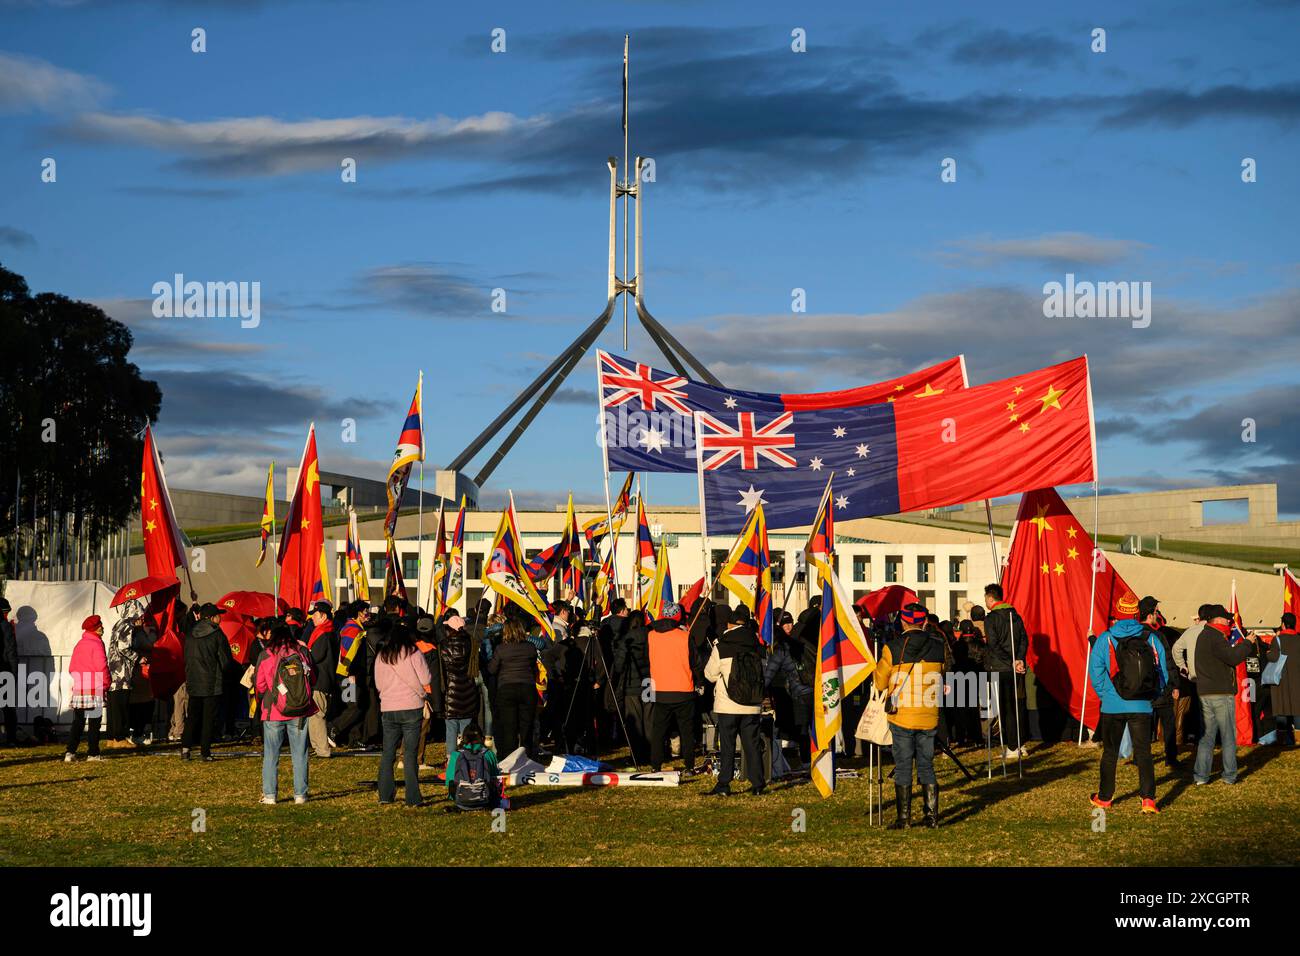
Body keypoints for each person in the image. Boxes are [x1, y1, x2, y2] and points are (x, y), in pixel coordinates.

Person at [1088, 609, 1169, 813]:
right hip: (1142, 705)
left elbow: (1095, 672)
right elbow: (1162, 671)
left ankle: (1104, 797)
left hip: (1112, 706)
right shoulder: (1150, 638)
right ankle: (1148, 799)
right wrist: (1153, 693)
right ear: (1136, 616)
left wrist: (1107, 695)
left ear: (1115, 617)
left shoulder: (1106, 638)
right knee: (1144, 753)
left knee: (1110, 753)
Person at [874, 603, 946, 828]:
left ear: (903, 622)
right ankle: (931, 817)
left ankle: (903, 818)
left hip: (902, 714)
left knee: (903, 765)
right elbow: (942, 674)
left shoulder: (892, 647)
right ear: (924, 622)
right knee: (926, 765)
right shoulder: (938, 646)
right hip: (929, 713)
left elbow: (880, 682)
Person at [704, 605, 767, 796]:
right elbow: (764, 671)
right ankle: (758, 784)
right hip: (752, 704)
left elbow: (710, 674)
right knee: (752, 745)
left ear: (729, 625)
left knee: (728, 745)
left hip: (727, 704)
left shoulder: (722, 646)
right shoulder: (757, 646)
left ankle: (724, 783)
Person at [1193, 604, 1256, 785]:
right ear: (1219, 620)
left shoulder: (1203, 636)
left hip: (1205, 693)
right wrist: (1247, 643)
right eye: (1227, 619)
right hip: (1220, 693)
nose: (1230, 622)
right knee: (1228, 736)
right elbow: (1233, 657)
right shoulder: (1216, 637)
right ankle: (1229, 775)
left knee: (1207, 737)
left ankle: (1201, 776)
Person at [254, 623, 317, 805]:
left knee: (271, 755)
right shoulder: (301, 652)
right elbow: (312, 678)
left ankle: (270, 795)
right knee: (300, 753)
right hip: (299, 709)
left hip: (273, 710)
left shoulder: (266, 654)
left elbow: (260, 685)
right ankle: (300, 794)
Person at [373, 619, 432, 806]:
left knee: (388, 753)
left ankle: (385, 795)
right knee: (410, 754)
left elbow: (378, 684)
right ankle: (413, 797)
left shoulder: (382, 655)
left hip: (389, 707)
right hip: (411, 706)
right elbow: (426, 678)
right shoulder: (414, 653)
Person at [646, 602, 702, 775]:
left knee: (659, 730)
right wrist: (699, 682)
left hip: (660, 689)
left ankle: (655, 765)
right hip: (684, 689)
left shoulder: (651, 635)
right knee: (686, 731)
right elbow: (696, 663)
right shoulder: (685, 636)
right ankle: (689, 766)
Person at [181, 603, 233, 762]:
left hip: (193, 679)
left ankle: (185, 748)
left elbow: (186, 656)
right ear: (211, 618)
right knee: (208, 718)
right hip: (212, 681)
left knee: (192, 716)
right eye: (218, 615)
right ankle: (205, 751)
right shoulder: (217, 634)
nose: (220, 618)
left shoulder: (190, 633)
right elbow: (225, 661)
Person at [983, 583, 1028, 759]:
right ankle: (1020, 743)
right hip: (1015, 667)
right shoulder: (1015, 615)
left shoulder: (991, 618)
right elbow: (1024, 639)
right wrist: (1019, 659)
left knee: (1006, 708)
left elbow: (993, 645)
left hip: (1000, 668)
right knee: (1017, 706)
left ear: (990, 598)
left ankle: (1012, 747)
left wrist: (1013, 661)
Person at [765, 610, 812, 766]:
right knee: (806, 727)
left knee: (799, 727)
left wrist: (759, 690)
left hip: (796, 691)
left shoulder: (781, 649)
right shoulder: (801, 643)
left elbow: (769, 673)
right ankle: (810, 760)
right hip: (810, 688)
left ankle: (803, 761)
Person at [487, 618, 539, 759]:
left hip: (507, 688)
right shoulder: (530, 647)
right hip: (527, 687)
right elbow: (534, 667)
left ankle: (510, 759)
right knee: (526, 727)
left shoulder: (501, 649)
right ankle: (527, 757)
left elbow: (492, 669)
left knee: (509, 728)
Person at [1139, 596, 1181, 768]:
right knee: (1168, 723)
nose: (1157, 615)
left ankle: (1141, 757)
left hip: (1141, 688)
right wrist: (1175, 685)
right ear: (1150, 615)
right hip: (1160, 687)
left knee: (1143, 725)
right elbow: (1168, 662)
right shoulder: (1157, 636)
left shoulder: (1132, 635)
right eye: (1156, 612)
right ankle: (1171, 758)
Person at [610, 599, 651, 764]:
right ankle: (651, 752)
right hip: (649, 681)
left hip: (632, 685)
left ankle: (637, 755)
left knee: (635, 720)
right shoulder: (651, 636)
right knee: (649, 719)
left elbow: (619, 665)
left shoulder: (626, 639)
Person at [65, 615, 109, 763]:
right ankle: (93, 753)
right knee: (94, 723)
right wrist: (107, 682)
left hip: (80, 688)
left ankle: (70, 752)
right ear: (96, 629)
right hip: (95, 688)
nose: (102, 627)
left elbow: (71, 668)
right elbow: (102, 666)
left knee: (78, 722)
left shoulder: (79, 644)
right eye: (100, 625)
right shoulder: (97, 644)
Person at [436, 611, 481, 758]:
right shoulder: (471, 643)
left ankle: (451, 759)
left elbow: (442, 669)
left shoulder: (443, 645)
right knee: (466, 729)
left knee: (451, 728)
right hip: (468, 691)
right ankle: (468, 756)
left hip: (450, 691)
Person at [105, 609, 144, 750]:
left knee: (113, 707)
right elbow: (123, 647)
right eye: (140, 615)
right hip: (121, 673)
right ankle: (120, 738)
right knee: (121, 707)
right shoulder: (128, 625)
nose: (142, 618)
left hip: (113, 671)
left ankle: (111, 738)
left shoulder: (118, 624)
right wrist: (138, 658)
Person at [304, 601, 336, 759]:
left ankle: (322, 750)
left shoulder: (323, 634)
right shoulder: (328, 631)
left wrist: (305, 650)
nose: (312, 618)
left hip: (320, 680)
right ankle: (318, 747)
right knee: (314, 715)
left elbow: (315, 657)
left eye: (314, 615)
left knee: (317, 715)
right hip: (323, 679)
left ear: (323, 616)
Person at [446, 722, 502, 811]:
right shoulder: (488, 753)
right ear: (482, 738)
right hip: (485, 799)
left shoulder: (456, 755)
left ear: (463, 738)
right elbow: (497, 778)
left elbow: (449, 780)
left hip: (460, 800)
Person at [1264, 613, 1299, 744]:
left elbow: (1273, 657)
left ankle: (1281, 741)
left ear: (1283, 624)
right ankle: (1298, 741)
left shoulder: (1277, 640)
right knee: (1298, 709)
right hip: (1297, 681)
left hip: (1280, 681)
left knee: (1281, 709)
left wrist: (1268, 654)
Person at [0, 598, 19, 746]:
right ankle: (11, 738)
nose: (7, 615)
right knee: (8, 707)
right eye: (5, 612)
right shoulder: (5, 626)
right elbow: (11, 651)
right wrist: (14, 673)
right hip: (4, 670)